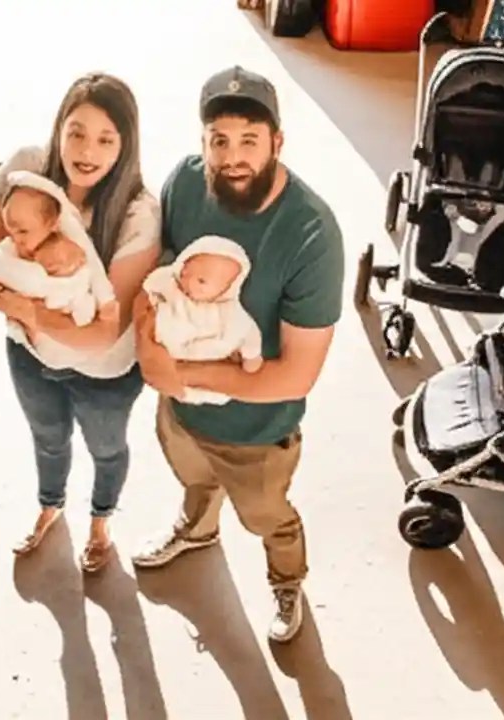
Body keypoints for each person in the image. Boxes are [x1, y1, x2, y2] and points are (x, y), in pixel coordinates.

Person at [130, 66, 345, 643]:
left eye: (250, 140)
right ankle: (197, 530)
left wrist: (172, 370)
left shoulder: (311, 234)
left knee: (266, 516)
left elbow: (296, 375)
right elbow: (160, 273)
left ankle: (287, 578)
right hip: (181, 410)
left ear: (278, 142)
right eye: (218, 140)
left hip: (255, 428)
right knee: (194, 479)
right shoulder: (185, 181)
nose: (233, 157)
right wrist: (149, 343)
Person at [0, 72, 162, 573]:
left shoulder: (138, 211)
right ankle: (50, 506)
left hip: (106, 373)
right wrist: (23, 306)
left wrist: (17, 302)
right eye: (76, 132)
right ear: (59, 129)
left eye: (105, 139)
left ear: (126, 144)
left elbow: (103, 333)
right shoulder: (28, 171)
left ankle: (100, 522)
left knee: (107, 447)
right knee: (47, 437)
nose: (87, 150)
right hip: (30, 354)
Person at [140, 233, 263, 405]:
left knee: (225, 353)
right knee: (164, 322)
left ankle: (190, 391)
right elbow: (150, 287)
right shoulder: (173, 287)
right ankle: (181, 389)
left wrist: (252, 356)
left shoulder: (230, 311)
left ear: (226, 289)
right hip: (172, 349)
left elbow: (249, 332)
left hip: (208, 356)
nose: (189, 281)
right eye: (185, 272)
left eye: (202, 281)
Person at [0, 170, 115, 331]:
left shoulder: (68, 243)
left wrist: (105, 299)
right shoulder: (11, 247)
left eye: (23, 231)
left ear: (52, 224)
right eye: (10, 230)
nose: (15, 239)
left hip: (72, 301)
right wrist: (39, 278)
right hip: (37, 309)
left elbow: (93, 266)